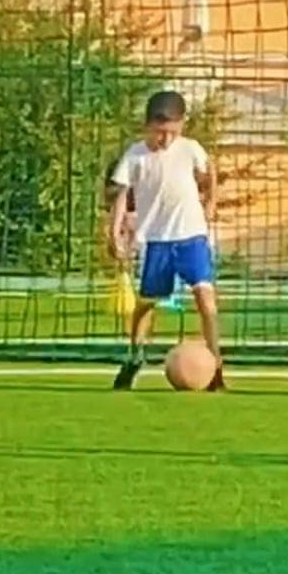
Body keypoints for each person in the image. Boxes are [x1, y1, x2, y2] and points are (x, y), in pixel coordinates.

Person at [108, 89, 224, 389]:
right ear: (147, 126)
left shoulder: (189, 149)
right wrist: (115, 233)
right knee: (146, 304)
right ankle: (135, 356)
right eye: (160, 133)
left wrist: (211, 199)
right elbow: (122, 197)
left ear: (182, 126)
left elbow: (209, 169)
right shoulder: (136, 156)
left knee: (205, 299)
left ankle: (217, 366)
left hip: (192, 236)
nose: (166, 140)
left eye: (173, 132)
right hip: (157, 240)